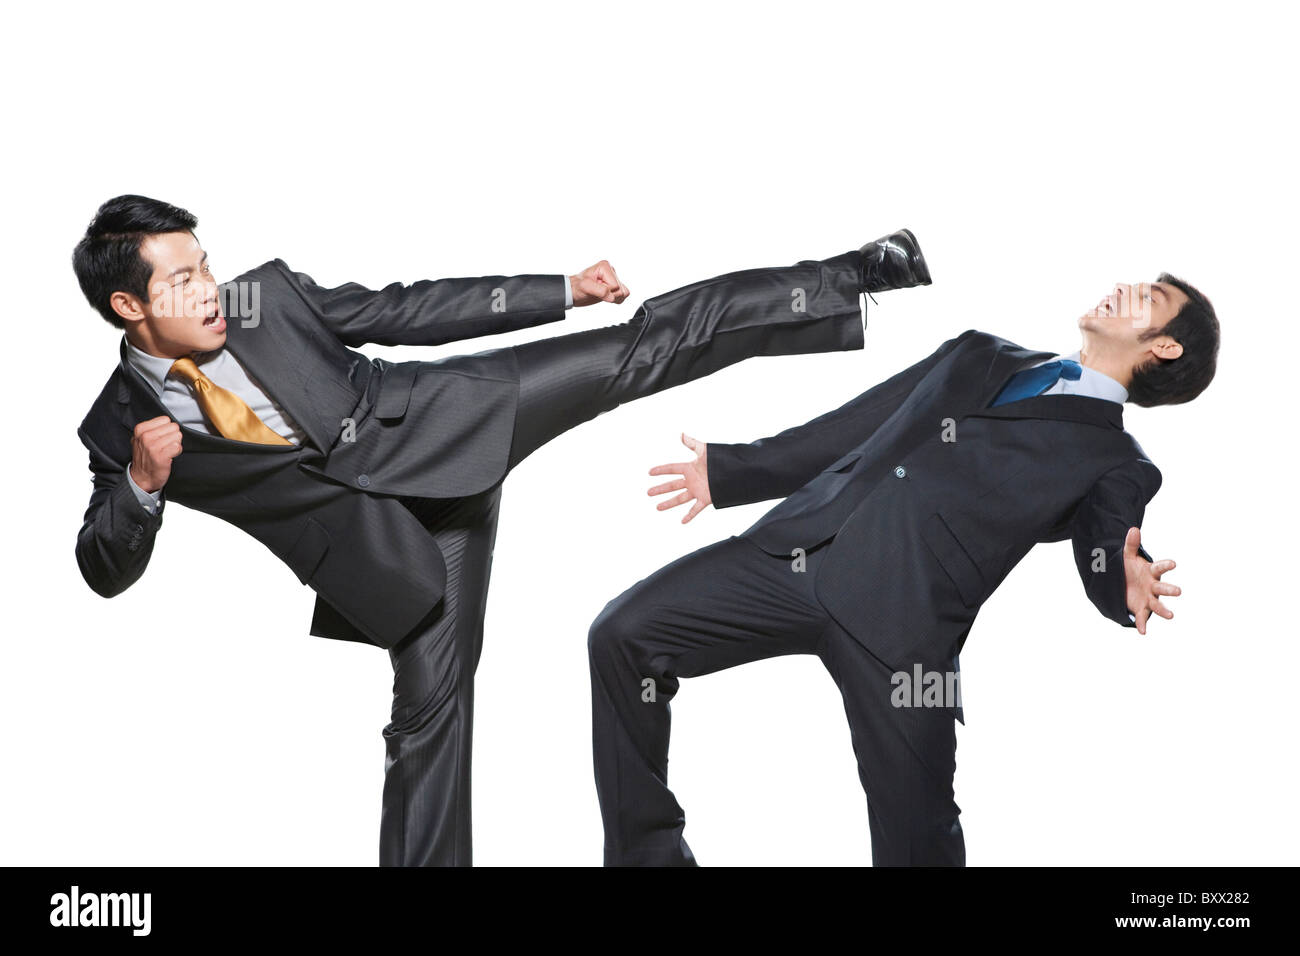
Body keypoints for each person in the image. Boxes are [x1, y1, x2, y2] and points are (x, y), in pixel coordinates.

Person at [72, 193, 931, 865]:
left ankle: (847, 278)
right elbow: (102, 567)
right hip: (392, 550)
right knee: (425, 724)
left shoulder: (264, 298)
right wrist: (145, 487)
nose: (211, 290)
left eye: (206, 264)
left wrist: (559, 292)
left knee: (639, 348)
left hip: (448, 420)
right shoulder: (118, 427)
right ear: (126, 304)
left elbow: (407, 310)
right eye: (181, 281)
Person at [588, 273, 1219, 865]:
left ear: (1163, 346)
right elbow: (860, 422)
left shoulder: (1117, 459)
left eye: (1150, 298)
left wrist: (1122, 578)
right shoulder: (983, 352)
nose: (1124, 289)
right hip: (793, 555)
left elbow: (1106, 539)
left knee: (918, 834)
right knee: (623, 635)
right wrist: (730, 472)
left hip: (904, 633)